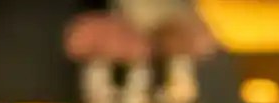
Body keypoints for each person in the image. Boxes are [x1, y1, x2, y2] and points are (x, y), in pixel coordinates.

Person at [63, 4, 219, 64]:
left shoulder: (141, 8)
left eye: (99, 38)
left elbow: (205, 40)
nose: (111, 47)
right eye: (98, 50)